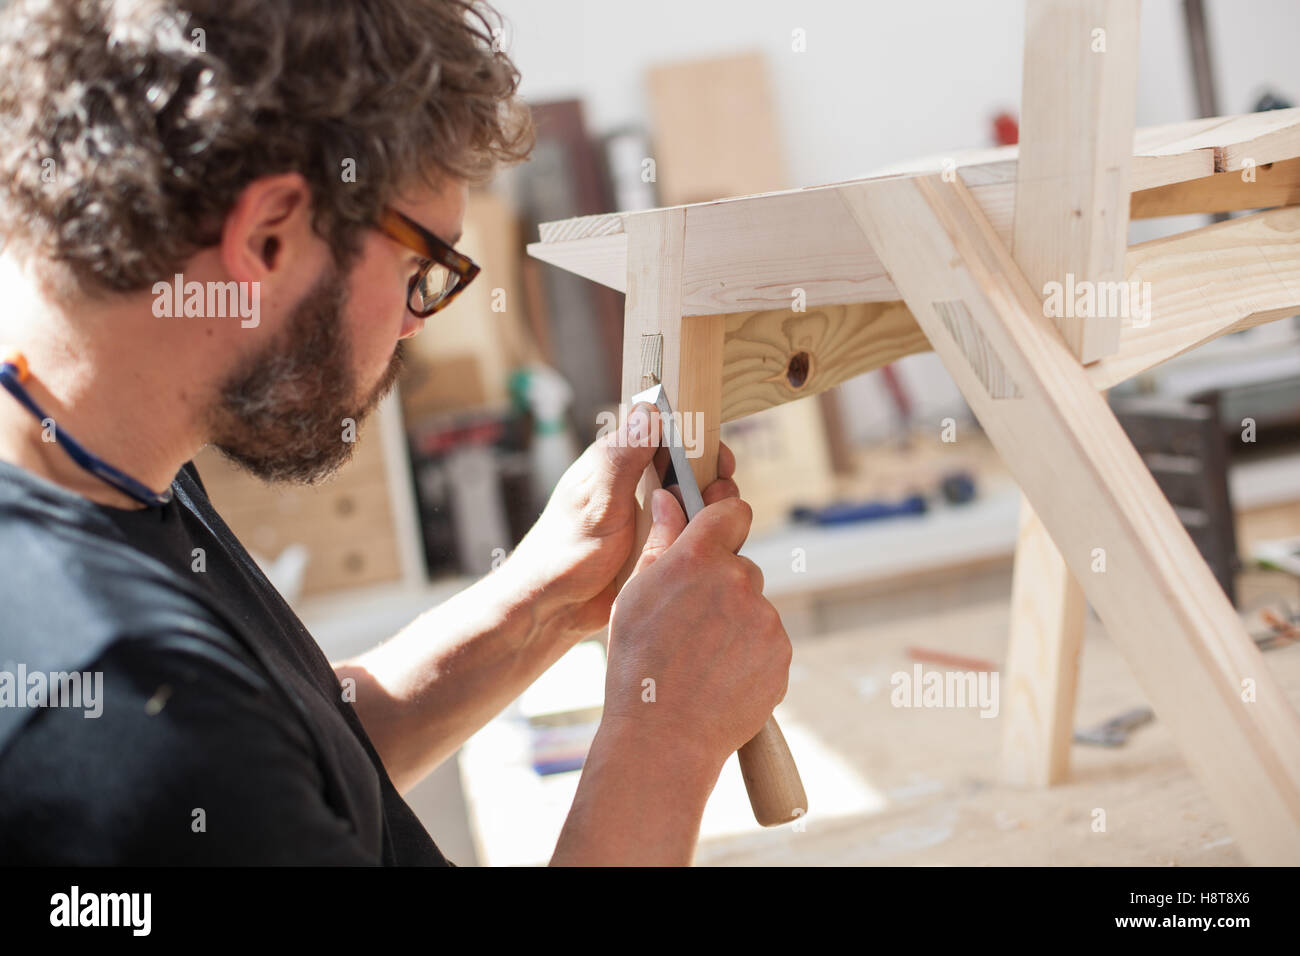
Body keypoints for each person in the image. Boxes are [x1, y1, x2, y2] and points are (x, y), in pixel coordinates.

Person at [0, 0, 792, 865]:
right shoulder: (123, 704)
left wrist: (540, 603)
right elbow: (210, 768)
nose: (419, 324)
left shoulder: (89, 458)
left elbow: (282, 773)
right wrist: (664, 737)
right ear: (267, 238)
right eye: (423, 268)